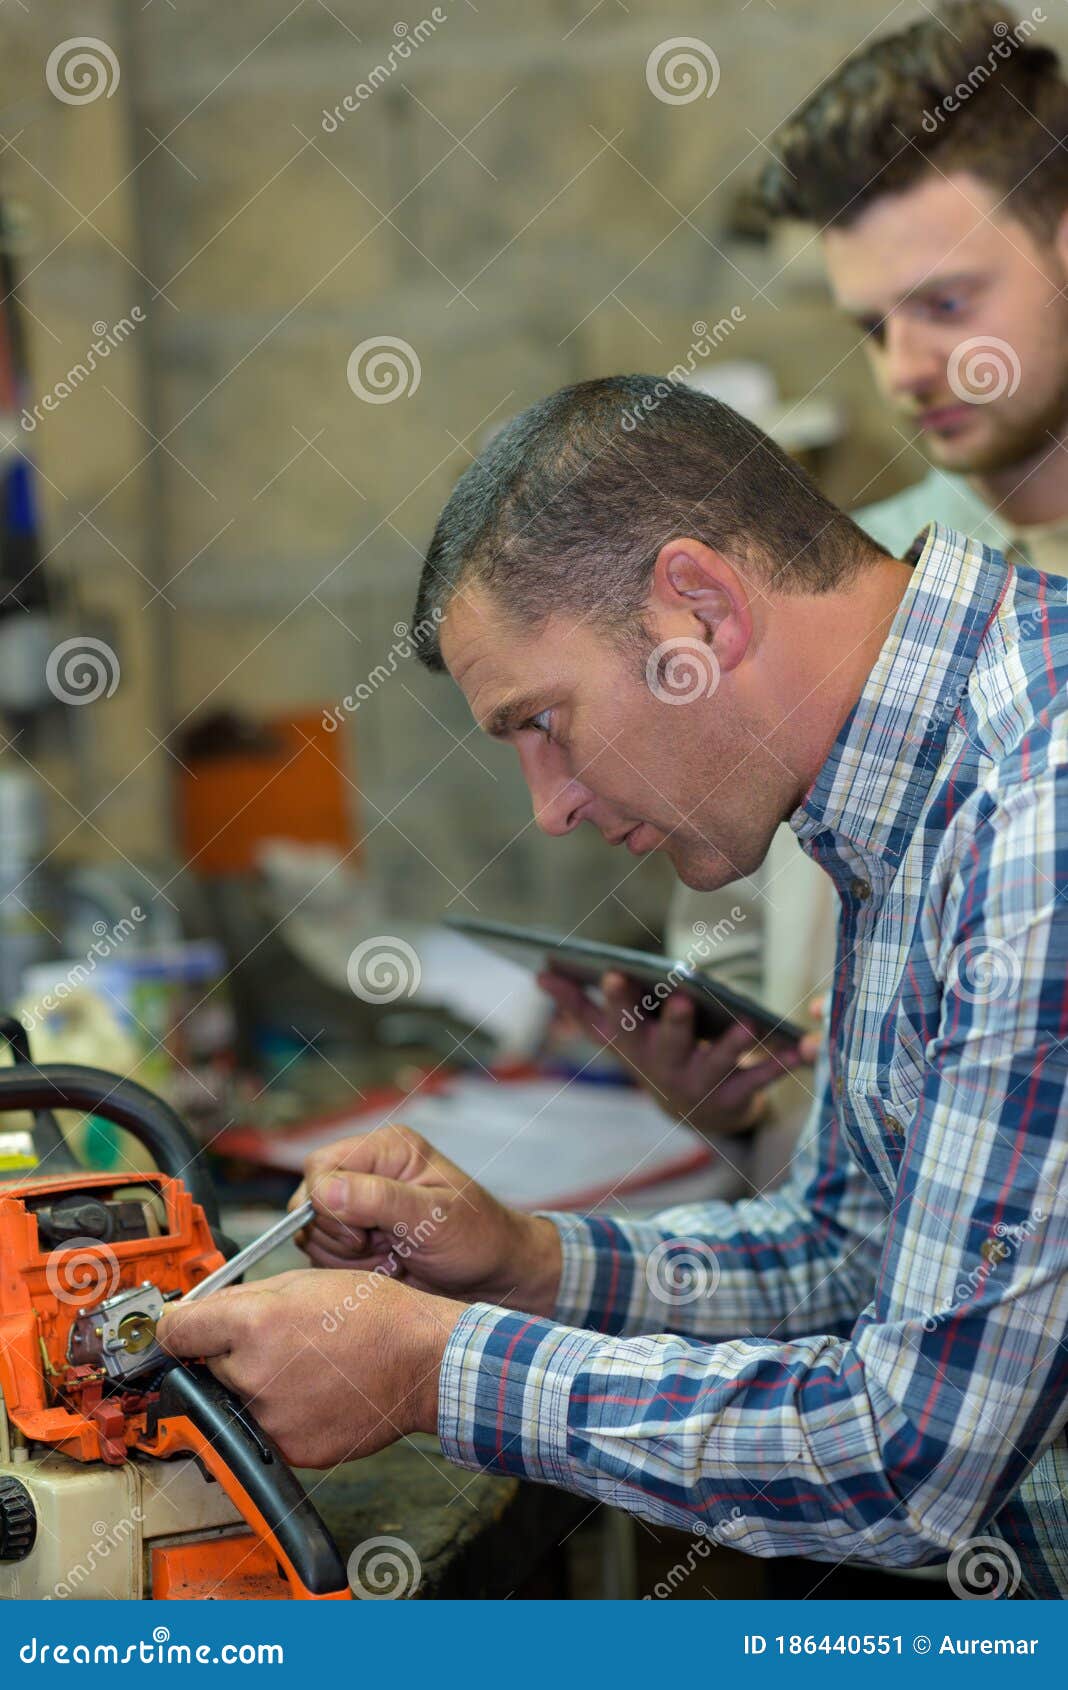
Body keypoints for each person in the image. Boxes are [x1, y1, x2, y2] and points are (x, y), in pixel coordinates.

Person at [160, 377, 1068, 1594]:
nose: (553, 806)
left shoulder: (1035, 812)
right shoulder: (911, 792)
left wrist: (434, 1369)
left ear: (699, 609)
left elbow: (909, 1457)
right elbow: (854, 1254)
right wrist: (529, 1264)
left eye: (547, 722)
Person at [553, 0, 1068, 1190]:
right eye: (873, 325)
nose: (903, 369)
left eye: (947, 303)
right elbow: (746, 968)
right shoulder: (843, 591)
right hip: (851, 1283)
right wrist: (733, 1102)